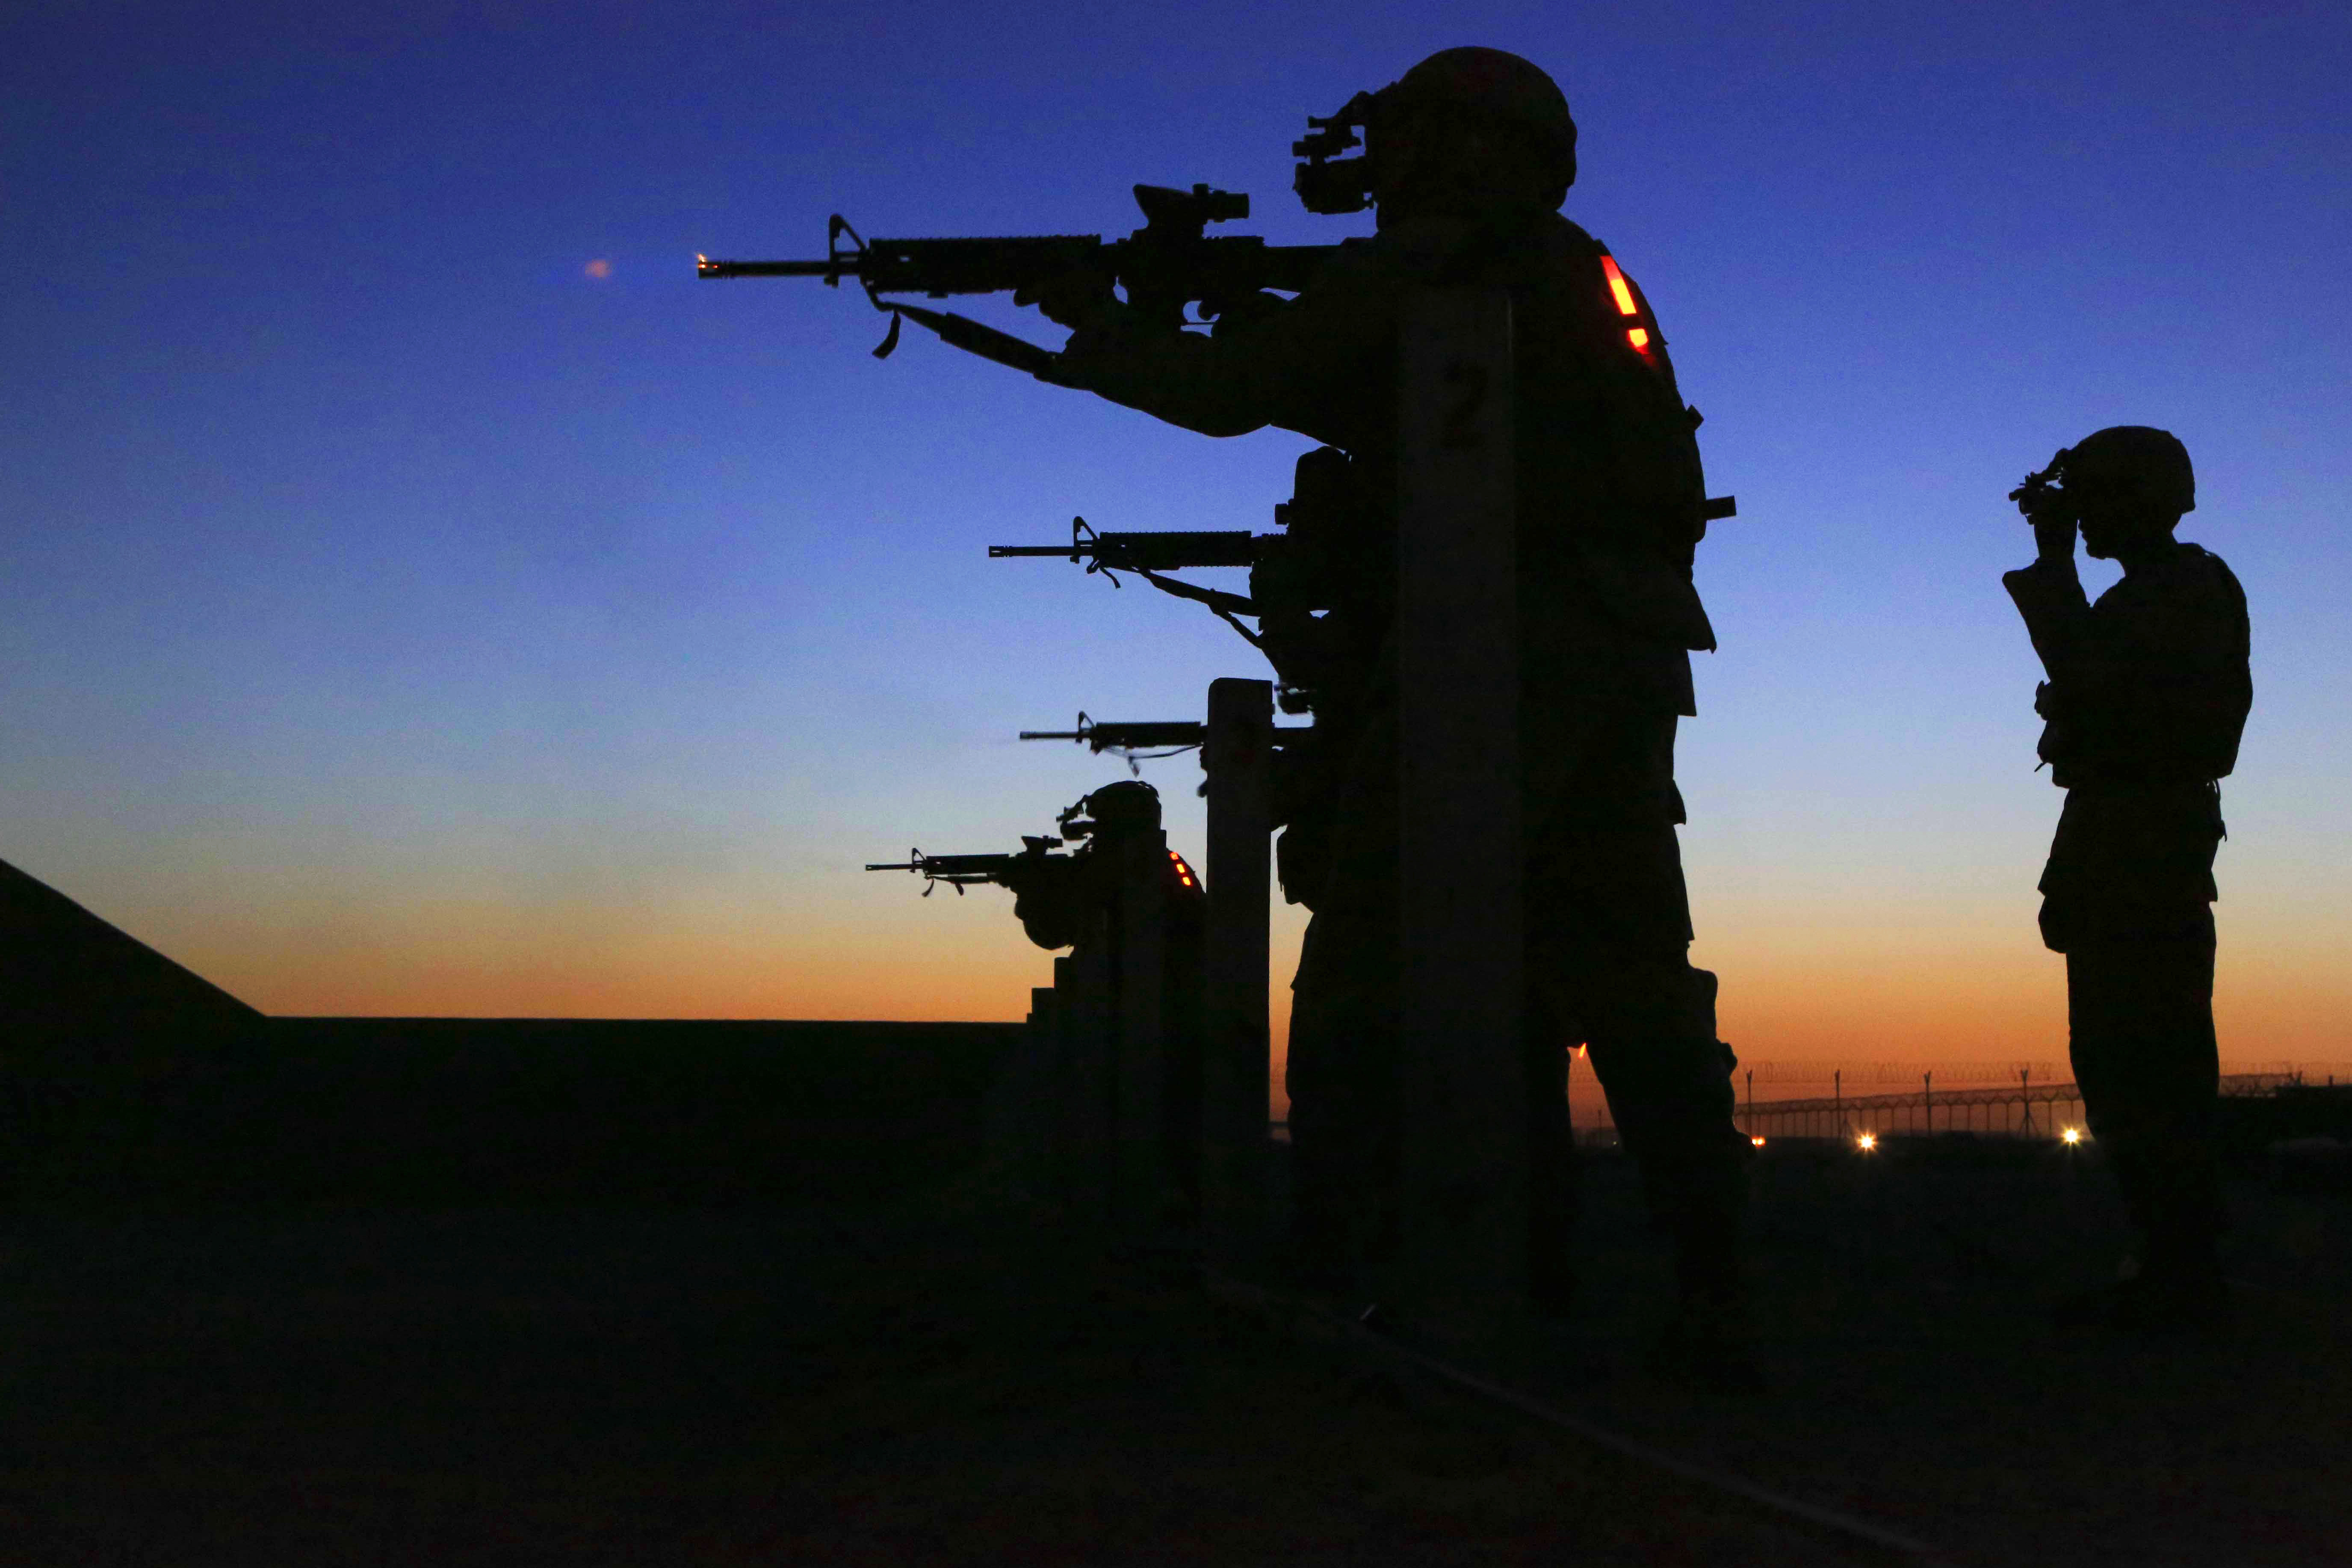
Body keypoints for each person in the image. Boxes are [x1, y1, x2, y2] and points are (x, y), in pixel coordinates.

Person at [1018, 47, 1751, 1376]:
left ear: (1461, 147)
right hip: (1621, 652)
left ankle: (1330, 1249)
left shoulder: (1442, 263)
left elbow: (1230, 393)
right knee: (1625, 972)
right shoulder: (1557, 270)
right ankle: (1708, 1287)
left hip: (1499, 643)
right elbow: (1344, 388)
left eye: (1411, 137)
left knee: (1371, 939)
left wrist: (1100, 326)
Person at [2003, 425, 2252, 1331]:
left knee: (2142, 1053)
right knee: (2124, 1054)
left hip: (2143, 835)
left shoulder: (2180, 590)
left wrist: (2050, 562)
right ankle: (2170, 1259)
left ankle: (2179, 1269)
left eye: (2098, 497)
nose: (2085, 514)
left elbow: (2087, 676)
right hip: (2127, 832)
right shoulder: (2161, 591)